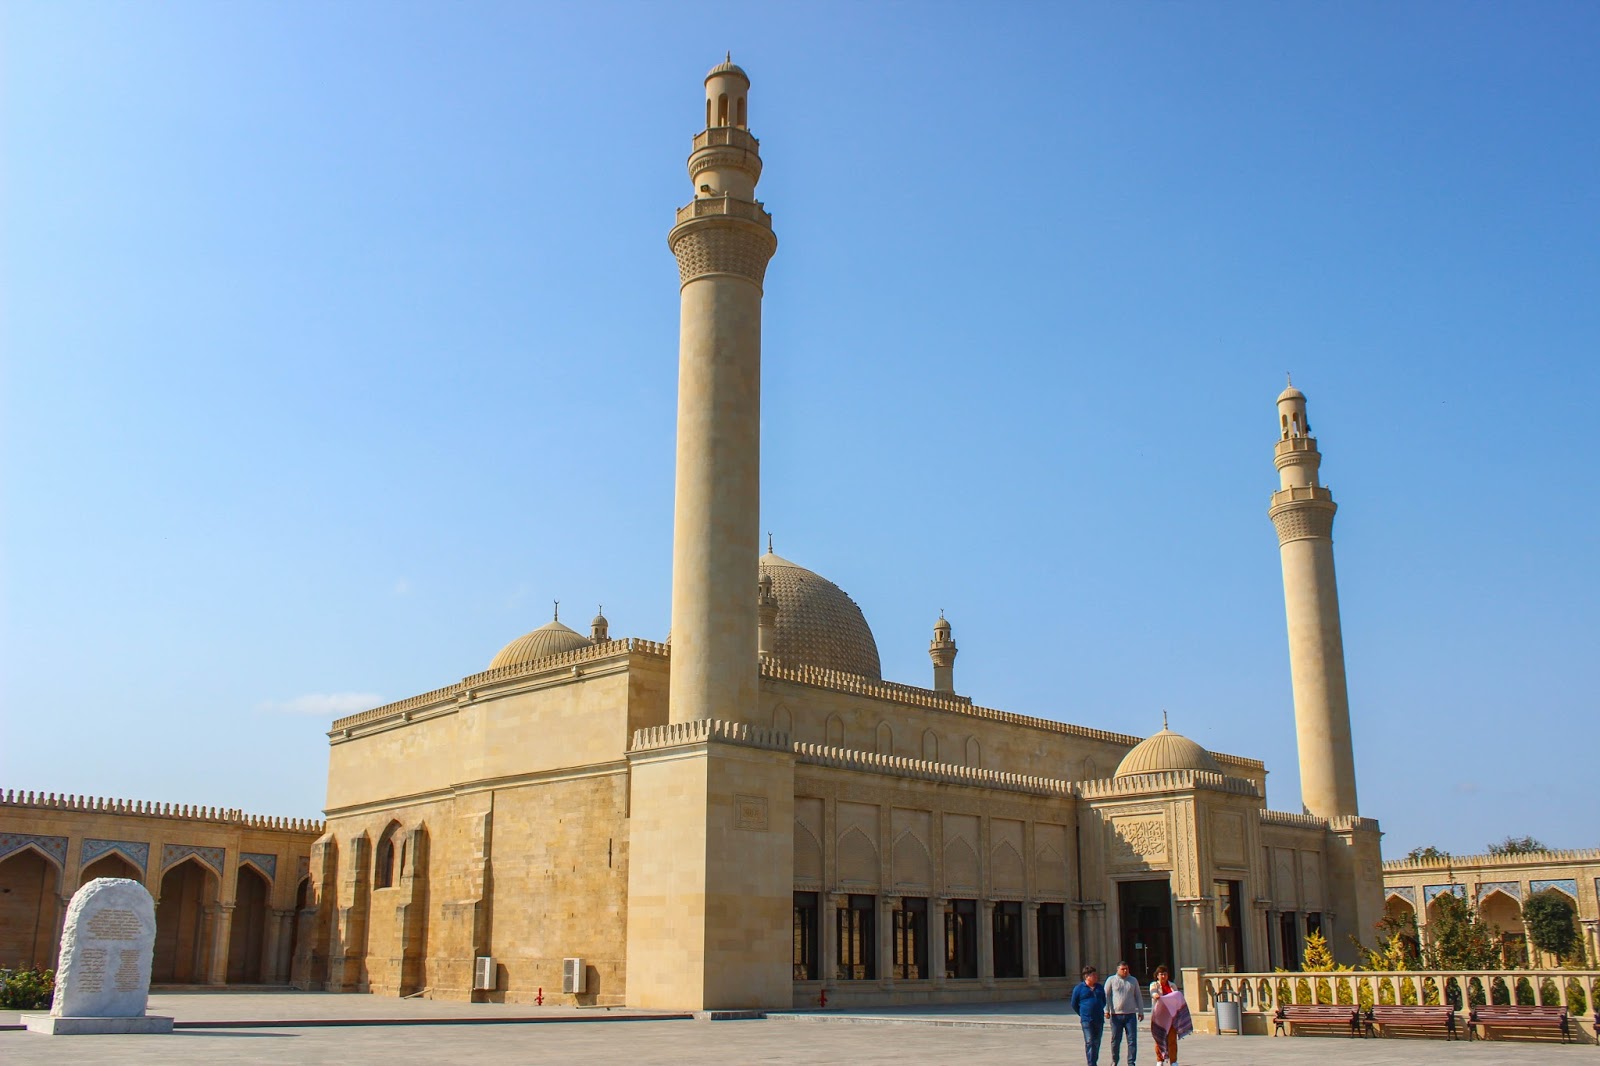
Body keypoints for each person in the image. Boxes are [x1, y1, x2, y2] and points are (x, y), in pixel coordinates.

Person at [1103, 960, 1143, 1066]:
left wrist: (1140, 1011)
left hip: (1130, 1015)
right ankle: (1115, 1060)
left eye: (1127, 969)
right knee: (1115, 1040)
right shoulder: (1111, 980)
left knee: (1132, 1040)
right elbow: (1106, 996)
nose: (1125, 971)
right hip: (1116, 1015)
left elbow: (1138, 996)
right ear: (1118, 970)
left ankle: (1131, 1062)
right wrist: (1106, 1010)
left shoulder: (1133, 980)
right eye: (1123, 969)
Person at [1070, 965, 1108, 1065]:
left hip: (1099, 1018)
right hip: (1087, 1020)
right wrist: (1083, 1013)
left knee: (1096, 1042)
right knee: (1090, 1041)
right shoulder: (1079, 988)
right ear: (1087, 976)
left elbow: (1103, 1001)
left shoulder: (1099, 987)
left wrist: (1098, 1009)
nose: (1096, 976)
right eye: (1093, 975)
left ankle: (1094, 1061)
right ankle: (1091, 1063)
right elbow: (1074, 1004)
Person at [1148, 965, 1182, 1064]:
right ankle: (1160, 1060)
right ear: (1157, 976)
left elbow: (1176, 996)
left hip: (1171, 1017)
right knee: (1159, 1039)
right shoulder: (1154, 985)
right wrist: (1156, 996)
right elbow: (1153, 993)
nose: (1163, 976)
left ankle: (1173, 1061)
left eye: (1165, 974)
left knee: (1172, 1039)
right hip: (1159, 1017)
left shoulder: (1172, 986)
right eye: (1161, 974)